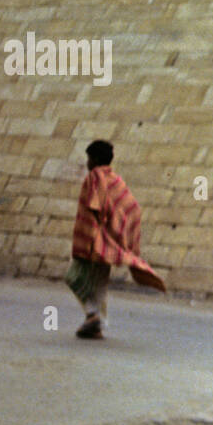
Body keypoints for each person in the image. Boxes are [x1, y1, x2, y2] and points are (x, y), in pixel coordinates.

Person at [65, 139, 166, 339]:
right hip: (109, 244)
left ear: (93, 159)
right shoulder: (116, 180)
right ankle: (97, 325)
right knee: (100, 285)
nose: (87, 163)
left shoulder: (95, 177)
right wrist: (118, 233)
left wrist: (98, 232)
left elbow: (96, 206)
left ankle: (92, 314)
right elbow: (131, 207)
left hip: (94, 242)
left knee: (73, 276)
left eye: (88, 159)